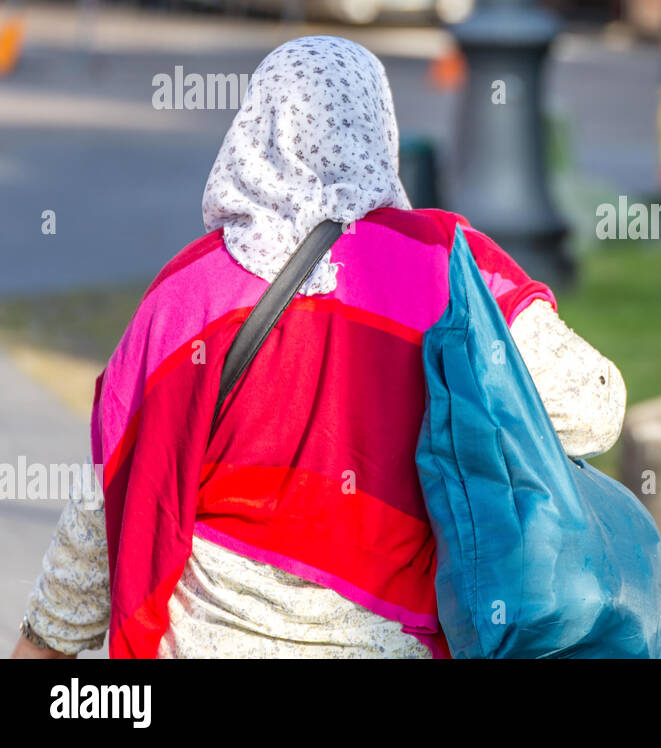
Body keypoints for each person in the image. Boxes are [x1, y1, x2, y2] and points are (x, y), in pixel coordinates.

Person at [12, 35, 626, 659]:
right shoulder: (448, 272)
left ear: (257, 128)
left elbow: (111, 493)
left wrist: (46, 641)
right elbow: (593, 411)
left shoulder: (189, 297)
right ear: (379, 127)